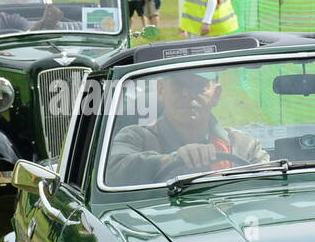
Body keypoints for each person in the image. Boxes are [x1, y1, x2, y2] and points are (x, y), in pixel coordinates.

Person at [107, 70, 268, 185]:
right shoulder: (135, 138)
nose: (186, 94)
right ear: (161, 90)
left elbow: (268, 188)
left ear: (216, 95)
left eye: (199, 86)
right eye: (178, 85)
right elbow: (111, 173)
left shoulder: (244, 146)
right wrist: (169, 160)